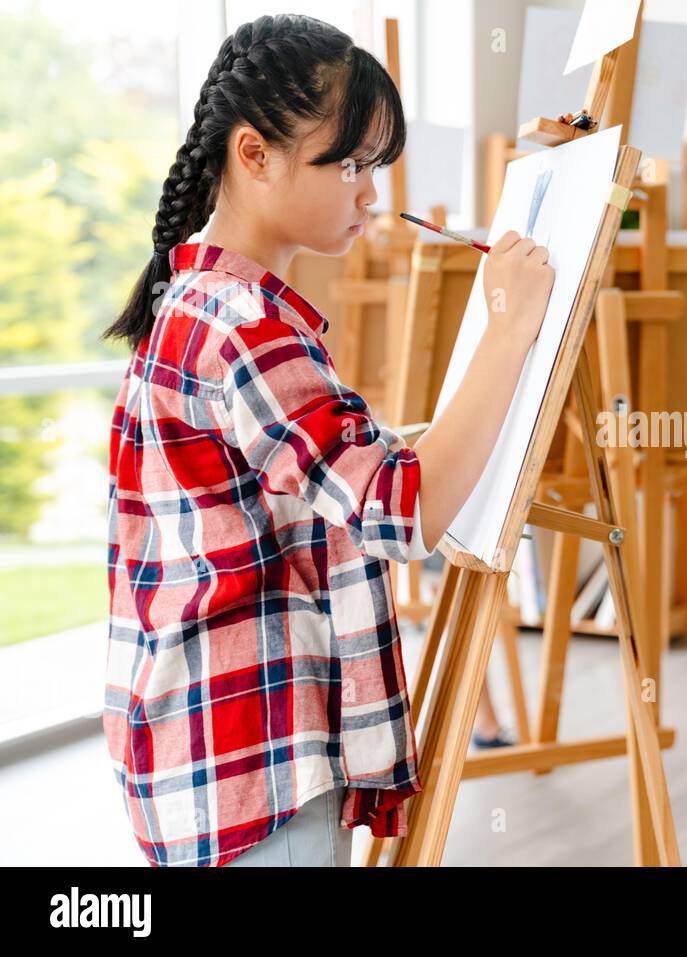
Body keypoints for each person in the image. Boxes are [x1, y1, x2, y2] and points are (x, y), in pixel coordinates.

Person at [101, 15, 554, 865]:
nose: (369, 194)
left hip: (201, 749)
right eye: (347, 164)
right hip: (252, 759)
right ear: (255, 154)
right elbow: (403, 511)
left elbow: (317, 481)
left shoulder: (195, 301)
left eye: (374, 165)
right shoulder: (245, 326)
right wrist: (507, 330)